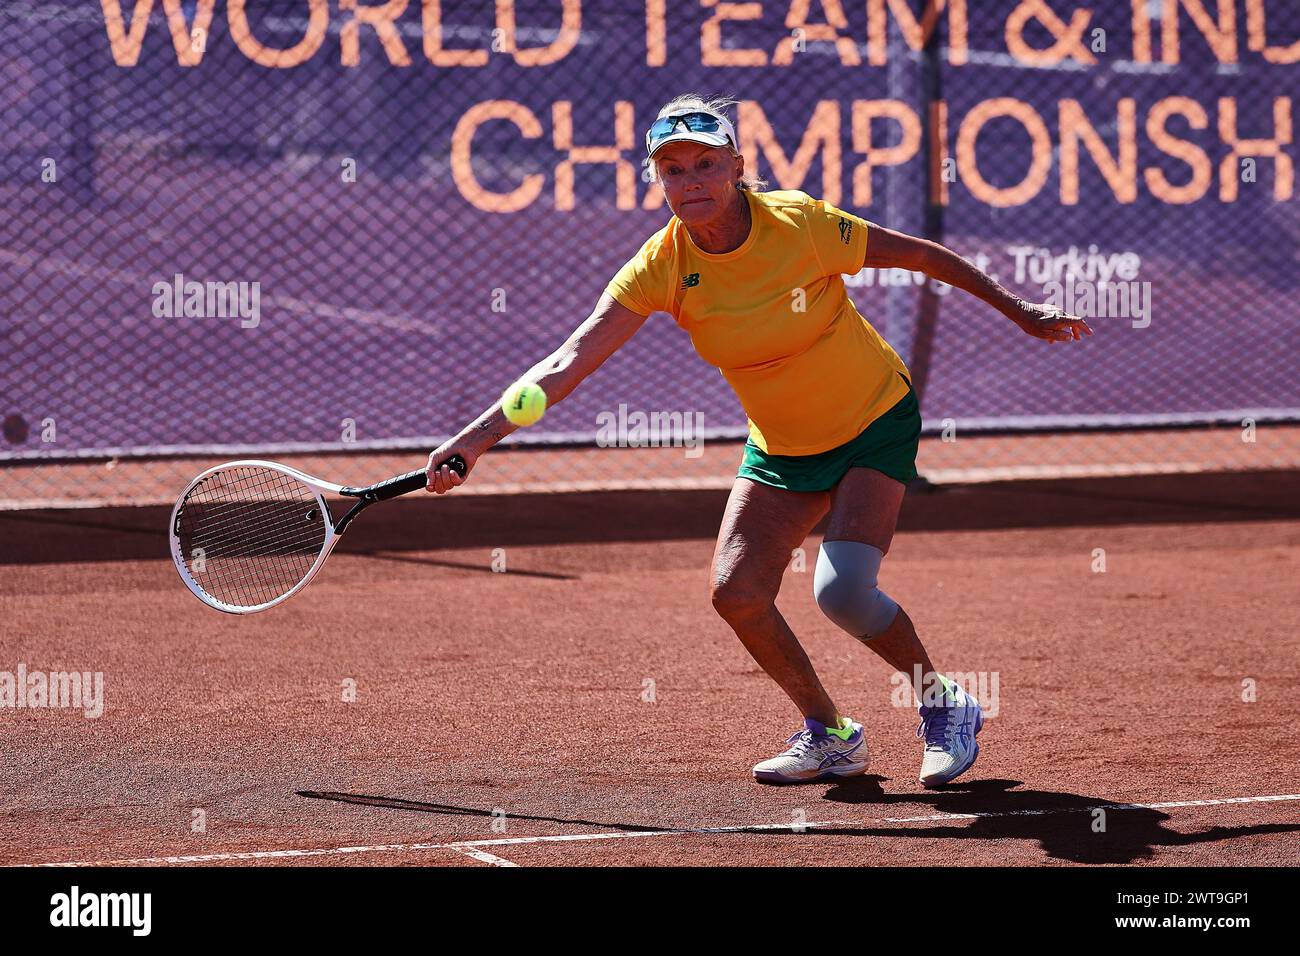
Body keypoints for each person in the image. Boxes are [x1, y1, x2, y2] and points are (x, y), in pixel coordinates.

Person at [425, 94, 1092, 787]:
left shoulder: (800, 223)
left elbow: (920, 256)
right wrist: (474, 441)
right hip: (782, 446)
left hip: (871, 418)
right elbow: (568, 361)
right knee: (736, 593)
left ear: (738, 166)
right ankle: (831, 735)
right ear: (658, 182)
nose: (692, 181)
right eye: (674, 170)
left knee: (842, 592)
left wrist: (1020, 311)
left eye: (706, 164)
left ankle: (943, 702)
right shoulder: (661, 265)